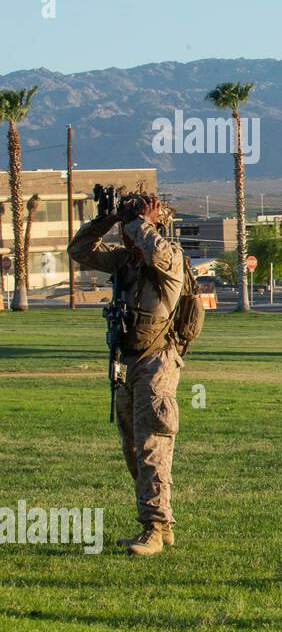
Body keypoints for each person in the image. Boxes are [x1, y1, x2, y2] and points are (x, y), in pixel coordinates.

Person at [69, 192, 184, 556]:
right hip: (127, 362)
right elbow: (80, 250)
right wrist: (111, 218)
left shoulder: (169, 260)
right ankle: (160, 524)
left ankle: (152, 528)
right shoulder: (124, 263)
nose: (130, 233)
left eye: (138, 225)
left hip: (156, 363)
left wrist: (144, 221)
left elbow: (155, 250)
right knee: (132, 447)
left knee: (152, 444)